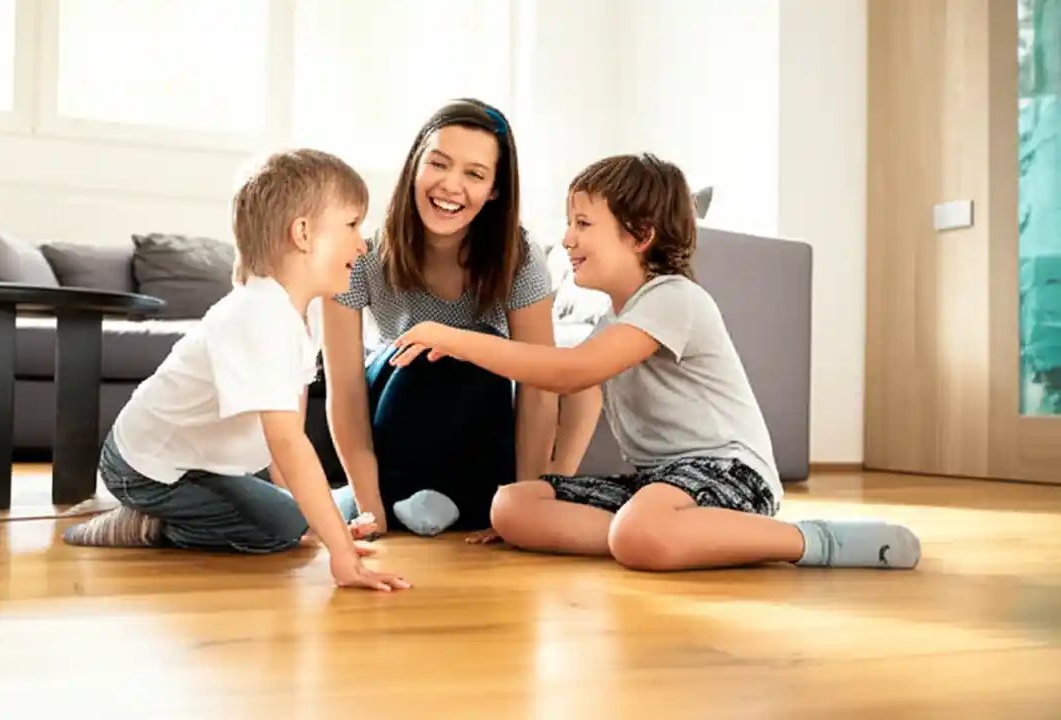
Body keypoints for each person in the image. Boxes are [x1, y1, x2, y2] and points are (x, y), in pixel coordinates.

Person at [389, 153, 922, 571]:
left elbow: (571, 372)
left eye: (581, 223)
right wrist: (554, 491)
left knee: (636, 530)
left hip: (729, 473)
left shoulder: (674, 298)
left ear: (640, 235)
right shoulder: (612, 322)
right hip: (658, 482)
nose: (567, 239)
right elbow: (579, 398)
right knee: (511, 505)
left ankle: (811, 541)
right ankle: (661, 540)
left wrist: (456, 338)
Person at [62, 149, 410, 593]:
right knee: (281, 525)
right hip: (151, 468)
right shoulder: (260, 315)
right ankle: (151, 523)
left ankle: (225, 515)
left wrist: (315, 527)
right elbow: (286, 441)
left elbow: (288, 434)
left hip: (213, 463)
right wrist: (339, 554)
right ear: (303, 233)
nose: (363, 244)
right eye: (352, 225)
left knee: (296, 514)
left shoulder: (304, 313)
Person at [320, 98, 558, 540]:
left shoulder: (519, 258)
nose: (451, 185)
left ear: (495, 191)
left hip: (476, 431)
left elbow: (539, 387)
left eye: (474, 174)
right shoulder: (361, 255)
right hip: (395, 409)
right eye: (439, 164)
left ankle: (445, 500)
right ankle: (374, 497)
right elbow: (345, 388)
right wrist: (372, 511)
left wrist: (524, 507)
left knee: (481, 347)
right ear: (415, 166)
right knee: (419, 354)